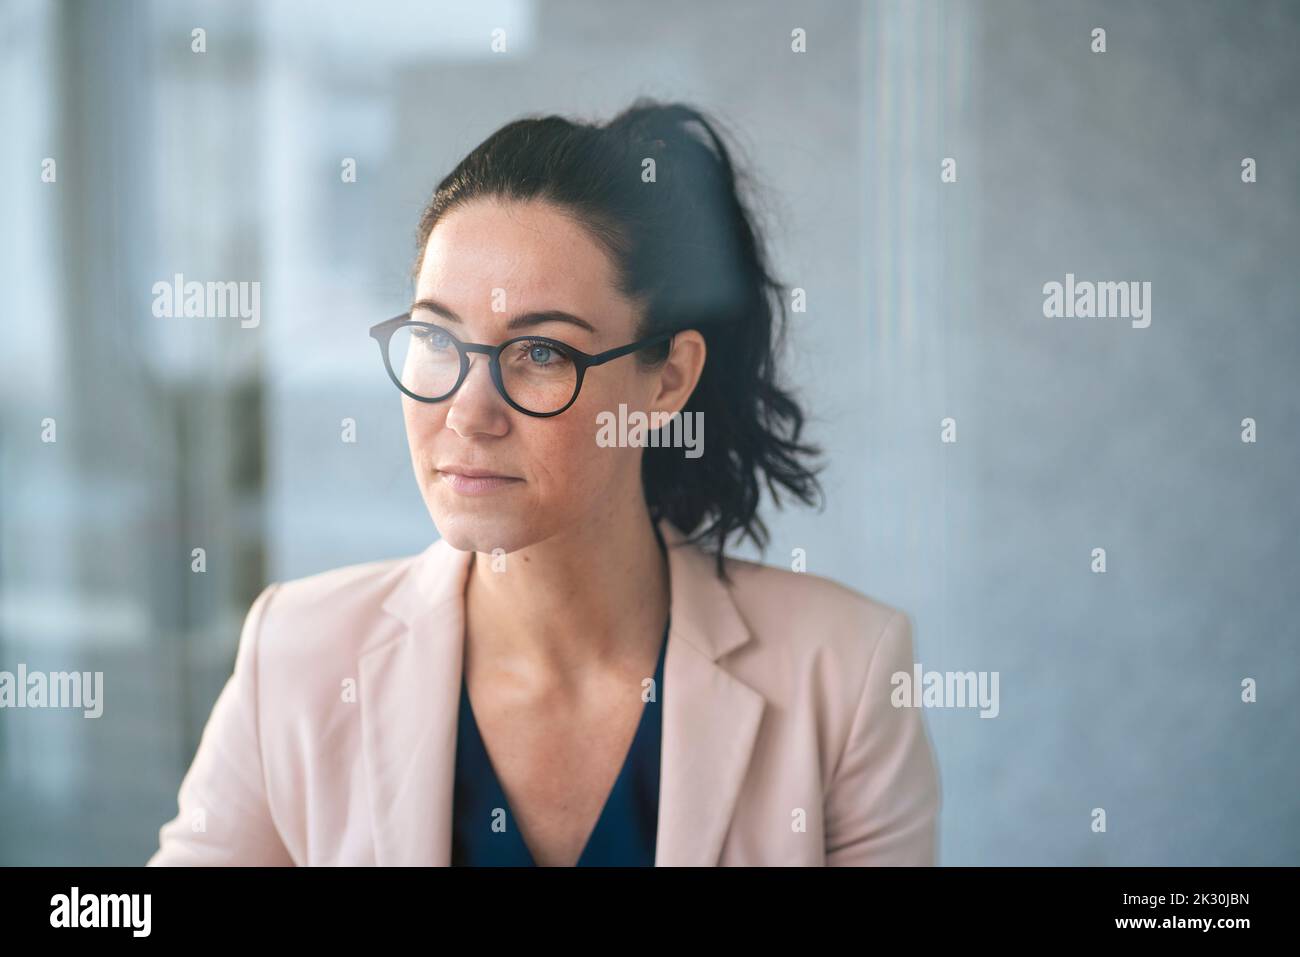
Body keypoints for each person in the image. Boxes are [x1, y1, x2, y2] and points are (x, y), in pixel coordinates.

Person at [148, 99, 940, 866]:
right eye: (436, 338)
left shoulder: (843, 673)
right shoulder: (297, 654)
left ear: (667, 380)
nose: (467, 411)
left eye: (539, 354)